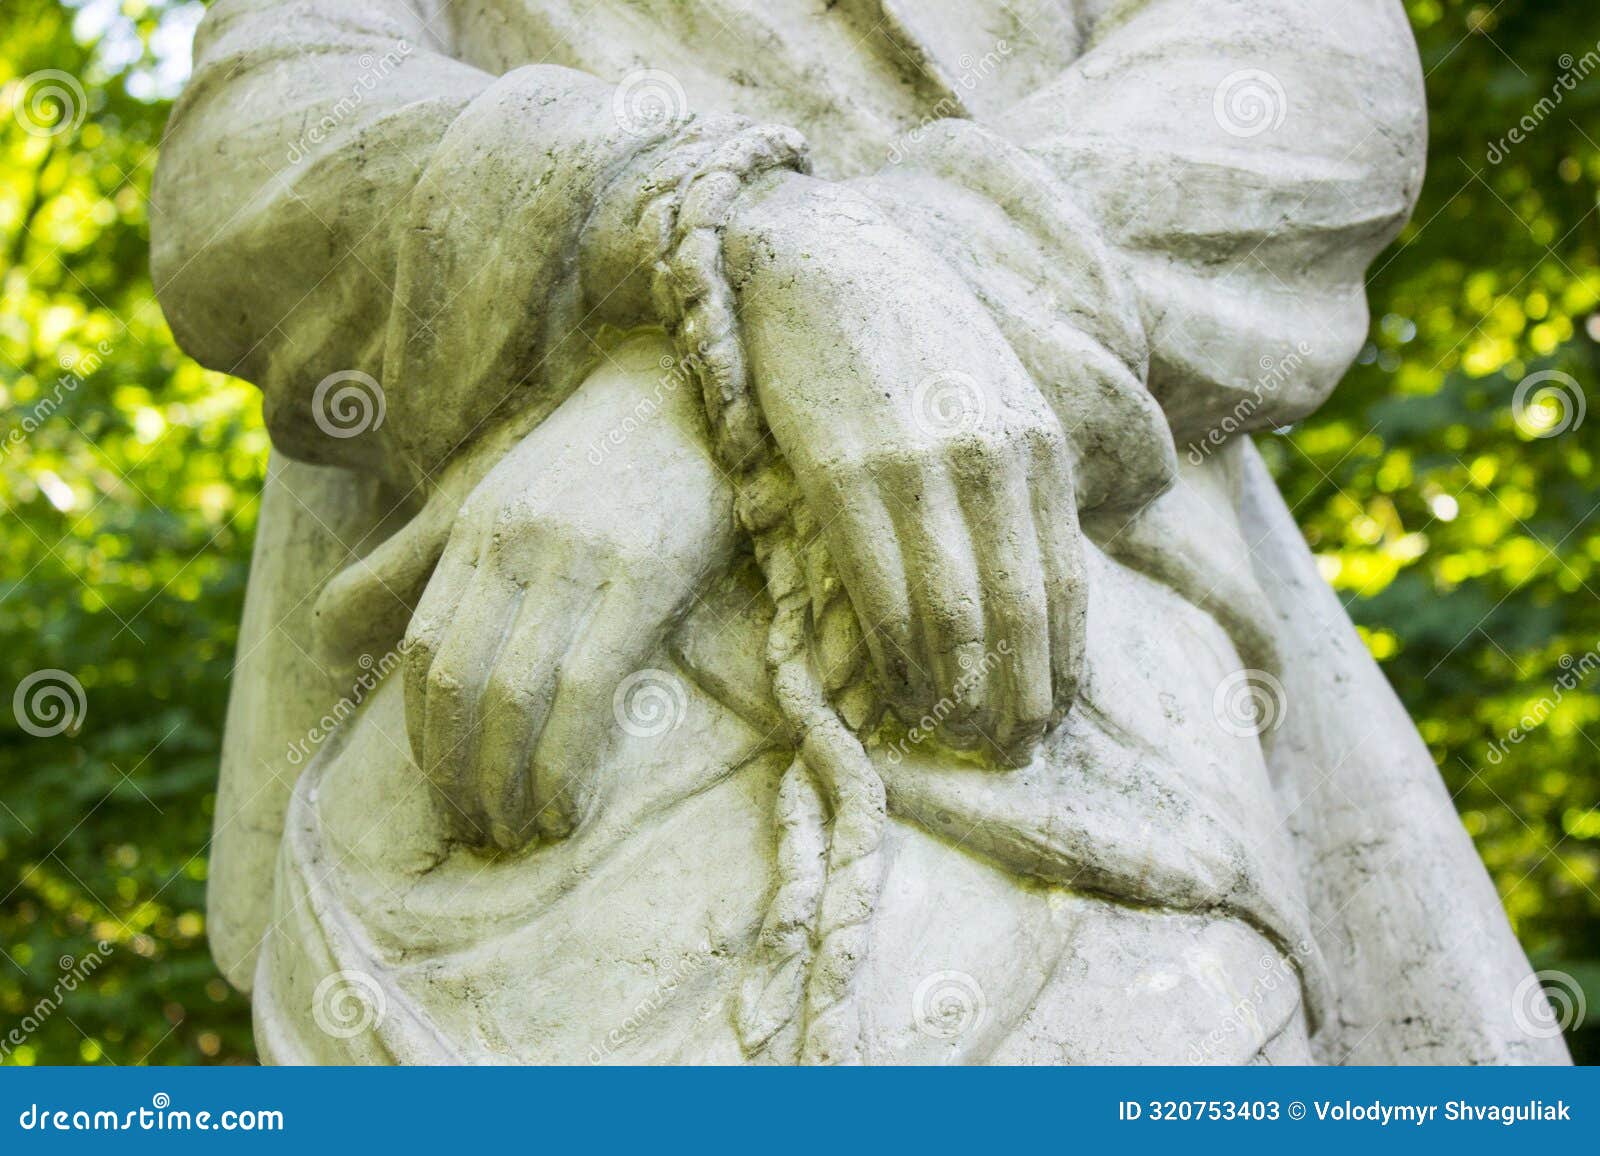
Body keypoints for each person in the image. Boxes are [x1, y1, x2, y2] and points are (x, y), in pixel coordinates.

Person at [153, 0, 1567, 1064]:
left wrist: (726, 379)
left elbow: (1307, 81)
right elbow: (254, 146)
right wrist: (746, 252)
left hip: (1054, 640)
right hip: (517, 735)